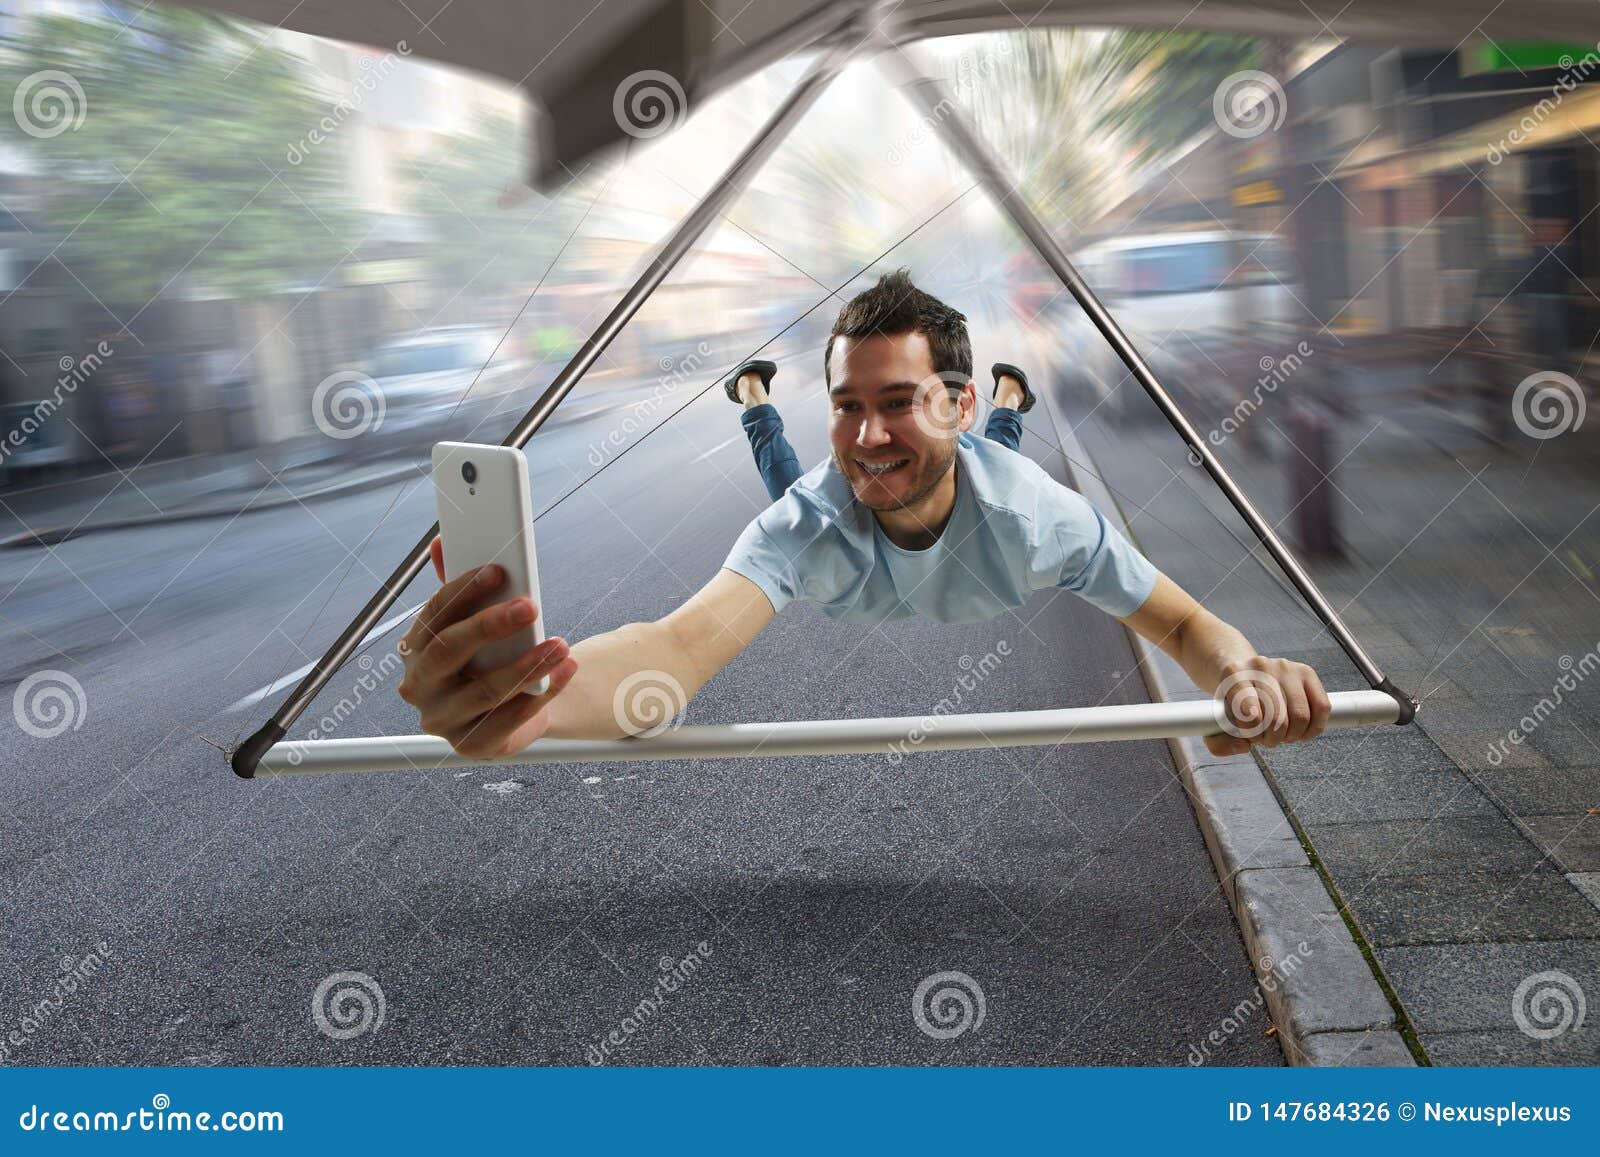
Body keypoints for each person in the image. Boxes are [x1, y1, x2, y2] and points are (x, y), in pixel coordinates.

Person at [398, 270, 1331, 761]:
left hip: (989, 465)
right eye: (847, 404)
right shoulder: (803, 521)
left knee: (1000, 459)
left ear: (950, 405)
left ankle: (1005, 397)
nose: (867, 433)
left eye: (900, 400)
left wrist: (1245, 670)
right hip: (902, 493)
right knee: (819, 478)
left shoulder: (1042, 518)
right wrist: (537, 703)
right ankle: (910, 399)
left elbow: (1180, 621)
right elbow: (673, 652)